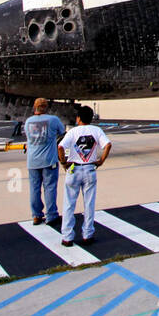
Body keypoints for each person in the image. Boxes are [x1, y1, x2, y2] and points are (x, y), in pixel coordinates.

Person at [57, 107, 111, 247]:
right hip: (89, 168)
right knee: (89, 203)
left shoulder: (73, 131)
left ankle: (67, 237)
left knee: (69, 204)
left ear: (78, 118)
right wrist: (100, 160)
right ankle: (87, 234)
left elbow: (60, 147)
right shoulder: (96, 130)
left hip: (74, 168)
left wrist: (64, 163)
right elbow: (108, 145)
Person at [23, 98, 67, 226]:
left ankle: (36, 215)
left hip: (32, 161)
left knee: (34, 189)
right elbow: (62, 133)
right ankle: (51, 215)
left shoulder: (28, 122)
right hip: (49, 160)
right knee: (50, 188)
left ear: (34, 107)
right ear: (46, 107)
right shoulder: (53, 120)